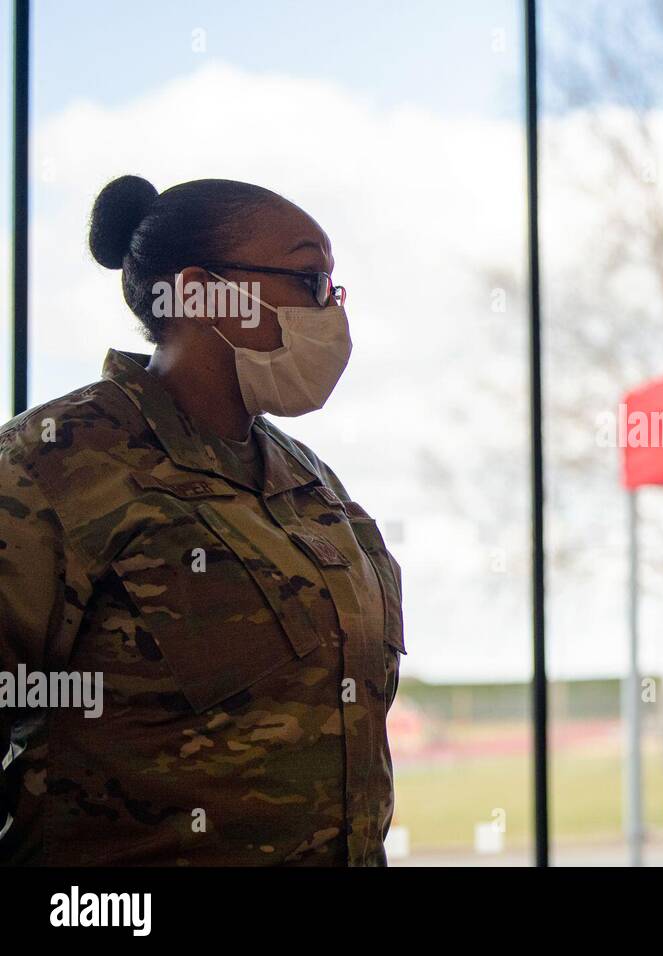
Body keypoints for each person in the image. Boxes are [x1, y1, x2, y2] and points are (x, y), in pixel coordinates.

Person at [0, 175, 405, 865]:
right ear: (196, 290)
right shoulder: (49, 470)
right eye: (310, 280)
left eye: (333, 289)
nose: (331, 312)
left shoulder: (310, 481)